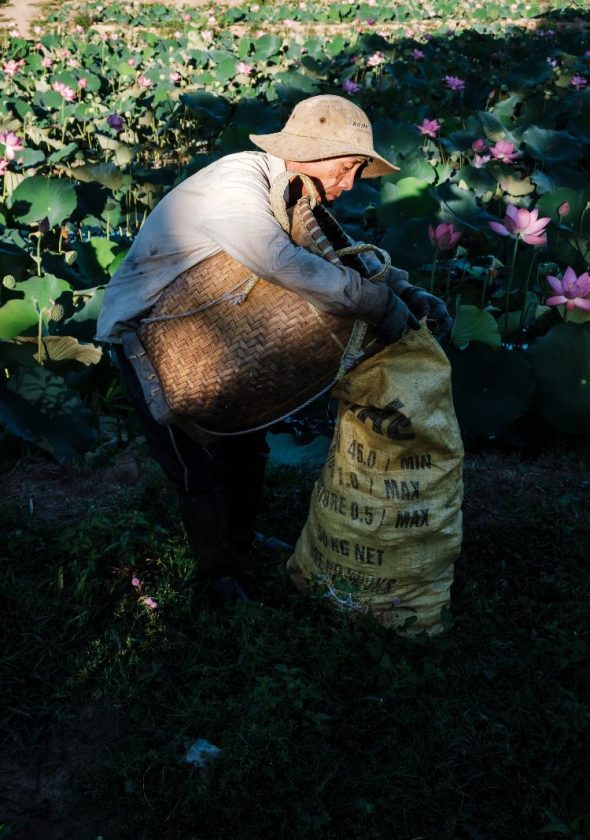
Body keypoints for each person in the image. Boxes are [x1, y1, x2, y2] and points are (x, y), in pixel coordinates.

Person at [96, 94, 452, 603]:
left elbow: (339, 254)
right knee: (197, 467)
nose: (350, 185)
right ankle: (217, 581)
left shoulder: (295, 193)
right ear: (312, 152)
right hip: (146, 335)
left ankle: (240, 539)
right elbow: (278, 258)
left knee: (247, 444)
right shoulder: (236, 183)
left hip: (209, 328)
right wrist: (376, 305)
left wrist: (406, 291)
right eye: (349, 168)